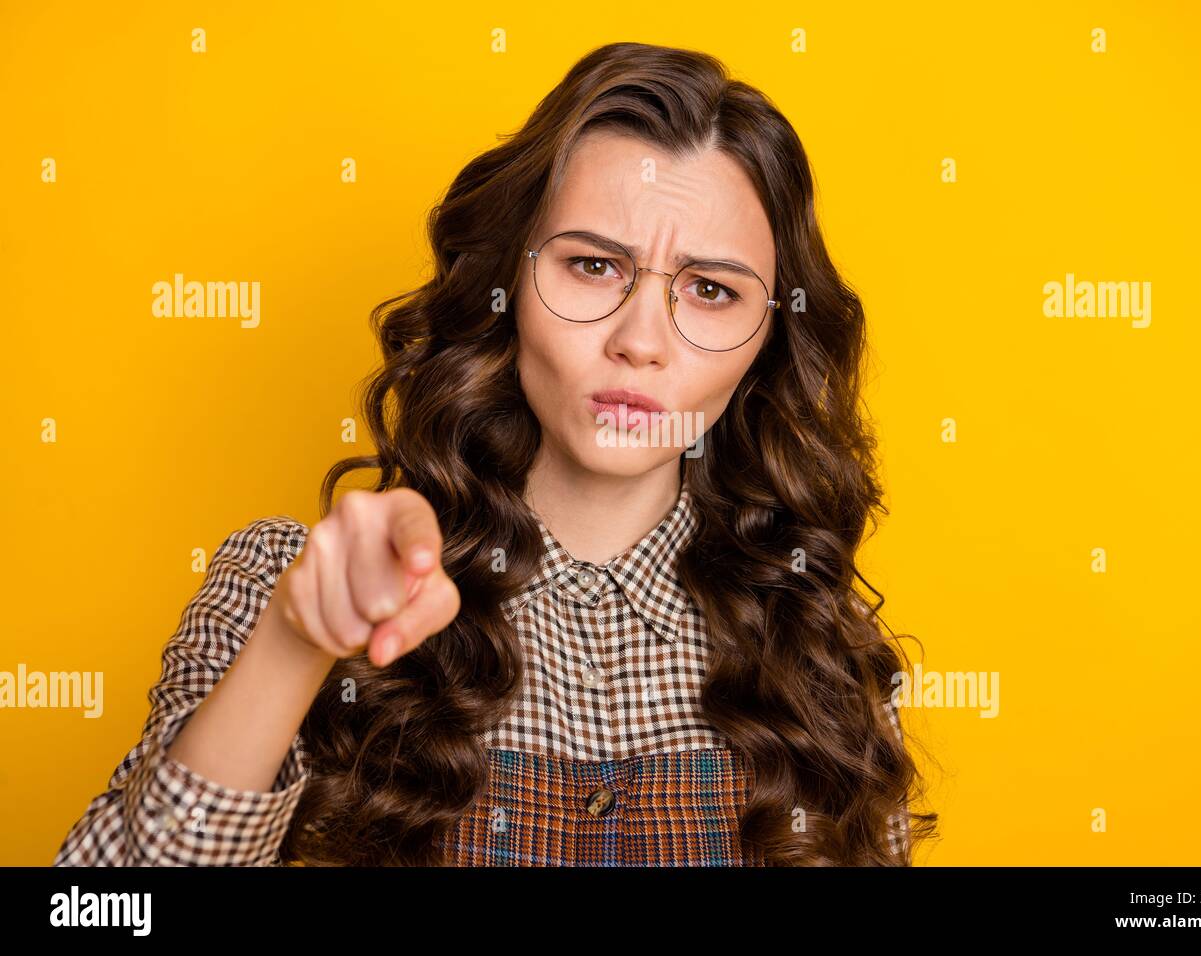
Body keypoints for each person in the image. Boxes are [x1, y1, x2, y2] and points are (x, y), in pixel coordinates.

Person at [54, 40, 935, 867]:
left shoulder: (824, 655)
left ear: (767, 342)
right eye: (593, 266)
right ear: (506, 286)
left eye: (710, 291)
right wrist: (295, 647)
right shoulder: (289, 587)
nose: (641, 339)